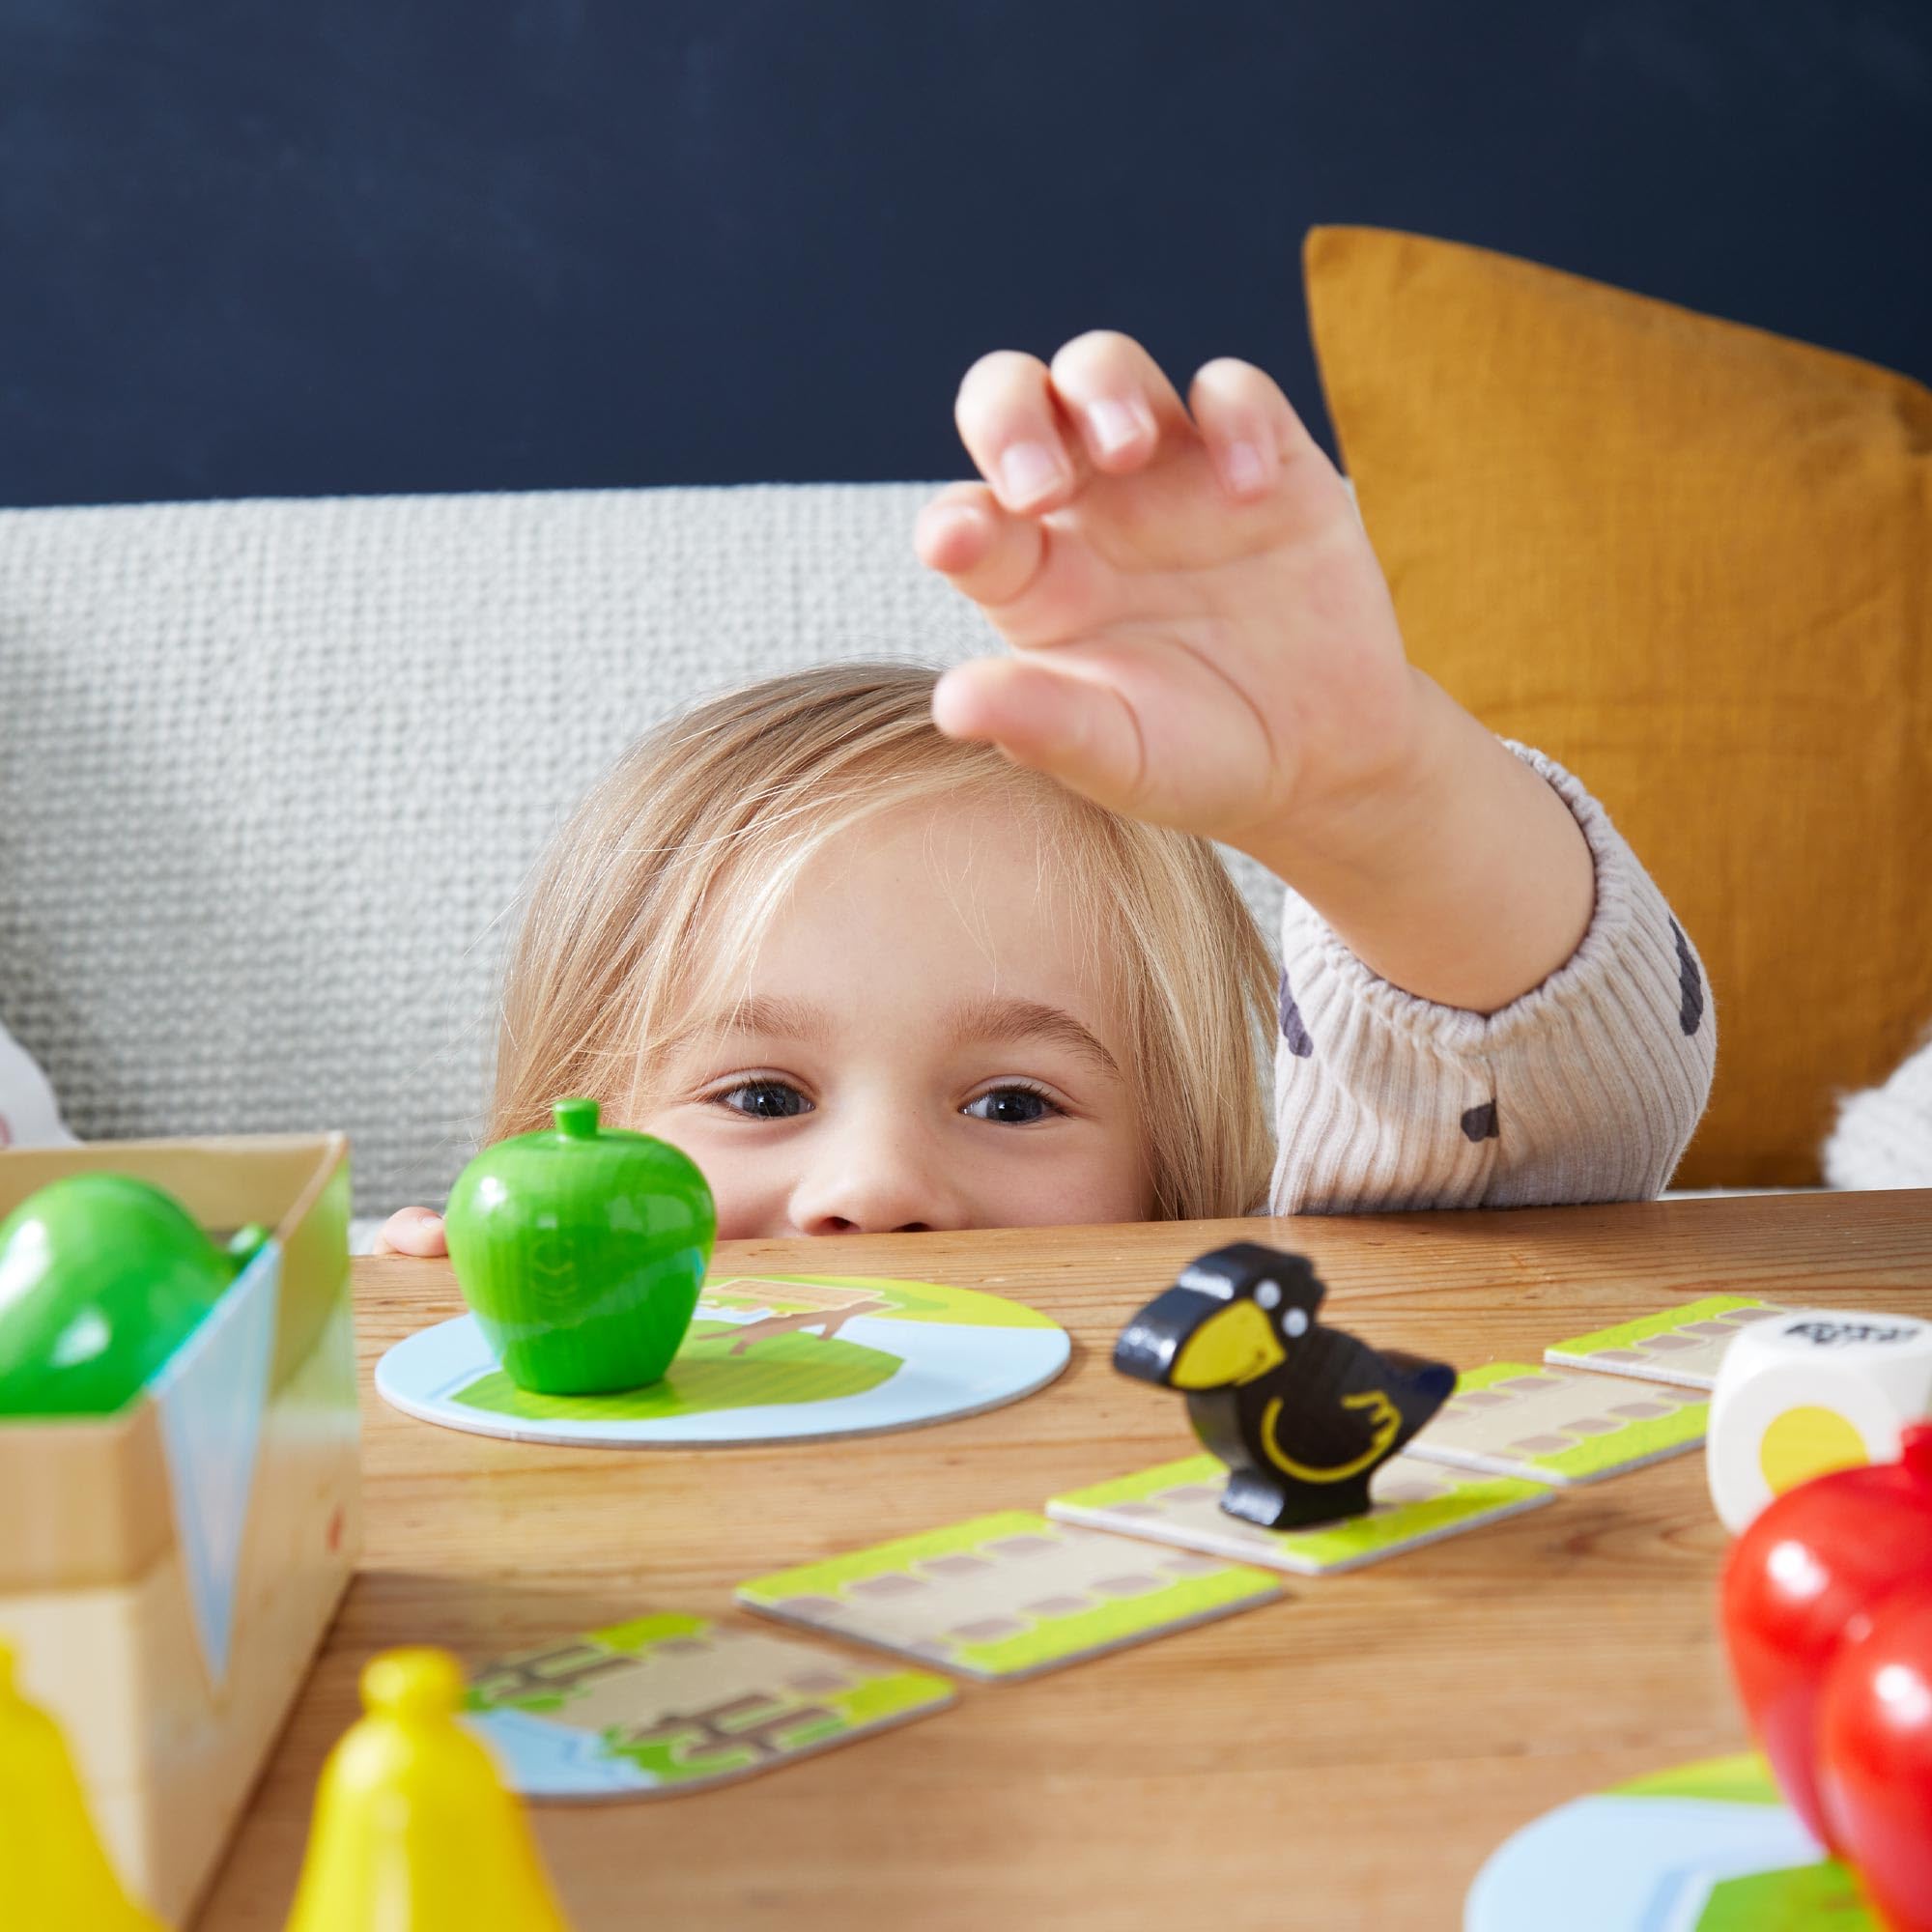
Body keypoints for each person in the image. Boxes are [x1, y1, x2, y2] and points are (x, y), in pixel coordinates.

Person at [377, 331, 1714, 1251]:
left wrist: (1378, 805)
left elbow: (1535, 1120)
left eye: (1015, 1104)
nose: (876, 1190)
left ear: (1182, 1190)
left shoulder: (1231, 1318)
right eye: (762, 1098)